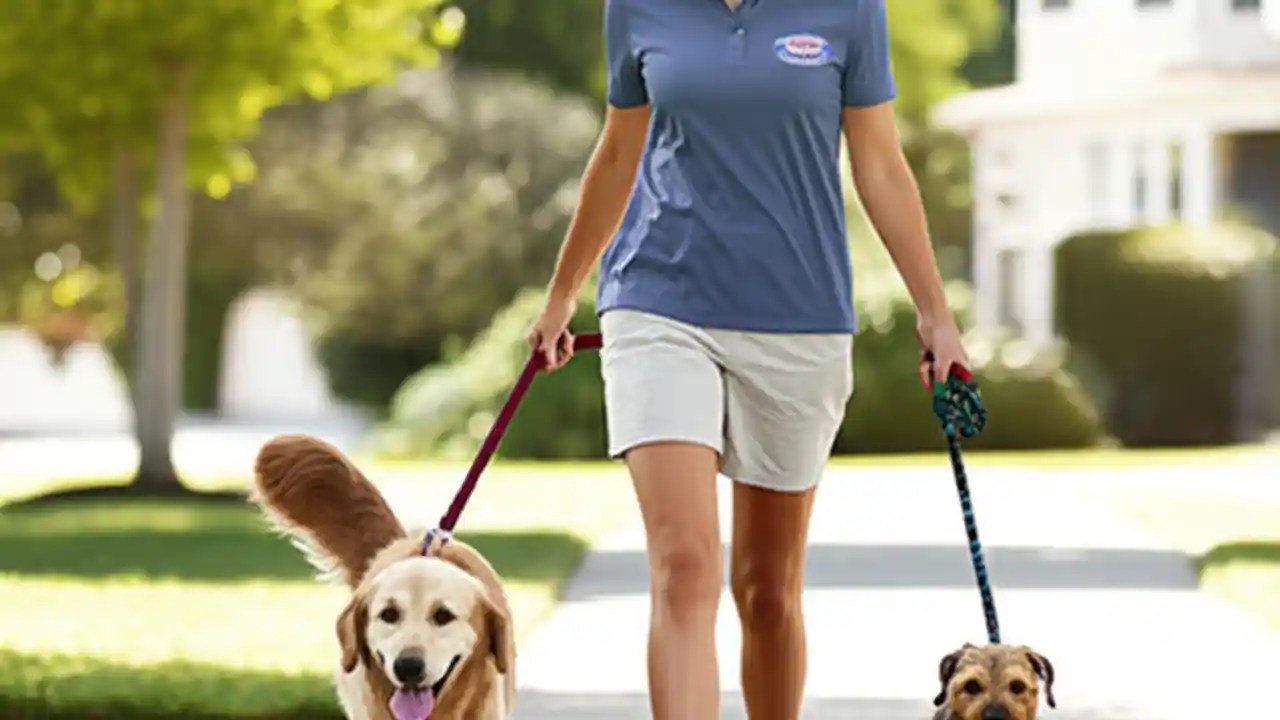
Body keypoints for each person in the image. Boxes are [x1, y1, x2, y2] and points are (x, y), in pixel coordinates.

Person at [527, 0, 970, 717]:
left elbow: (881, 165)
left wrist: (936, 314)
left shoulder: (850, 10)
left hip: (798, 319)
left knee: (768, 590)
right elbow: (618, 150)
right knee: (684, 567)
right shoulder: (638, 7)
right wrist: (561, 296)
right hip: (658, 302)